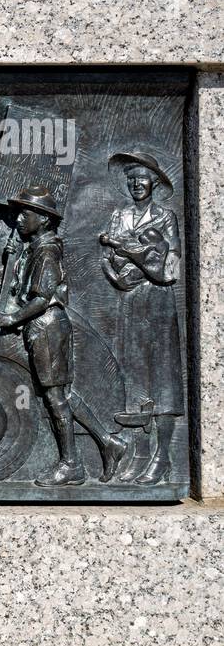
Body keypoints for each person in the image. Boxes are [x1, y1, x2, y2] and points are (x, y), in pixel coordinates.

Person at [0, 185, 125, 486]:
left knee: (55, 399)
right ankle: (108, 442)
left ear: (46, 220)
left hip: (47, 327)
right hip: (46, 328)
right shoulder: (37, 248)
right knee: (62, 395)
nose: (19, 218)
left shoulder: (47, 251)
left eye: (27, 213)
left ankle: (72, 465)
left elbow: (39, 299)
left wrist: (10, 318)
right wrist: (16, 255)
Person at [99, 151, 184, 485]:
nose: (137, 184)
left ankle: (162, 457)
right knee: (133, 376)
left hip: (159, 304)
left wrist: (137, 255)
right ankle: (138, 452)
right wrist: (116, 276)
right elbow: (106, 257)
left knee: (162, 377)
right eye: (131, 179)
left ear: (154, 183)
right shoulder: (119, 215)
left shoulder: (164, 217)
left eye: (142, 179)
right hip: (130, 302)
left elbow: (170, 265)